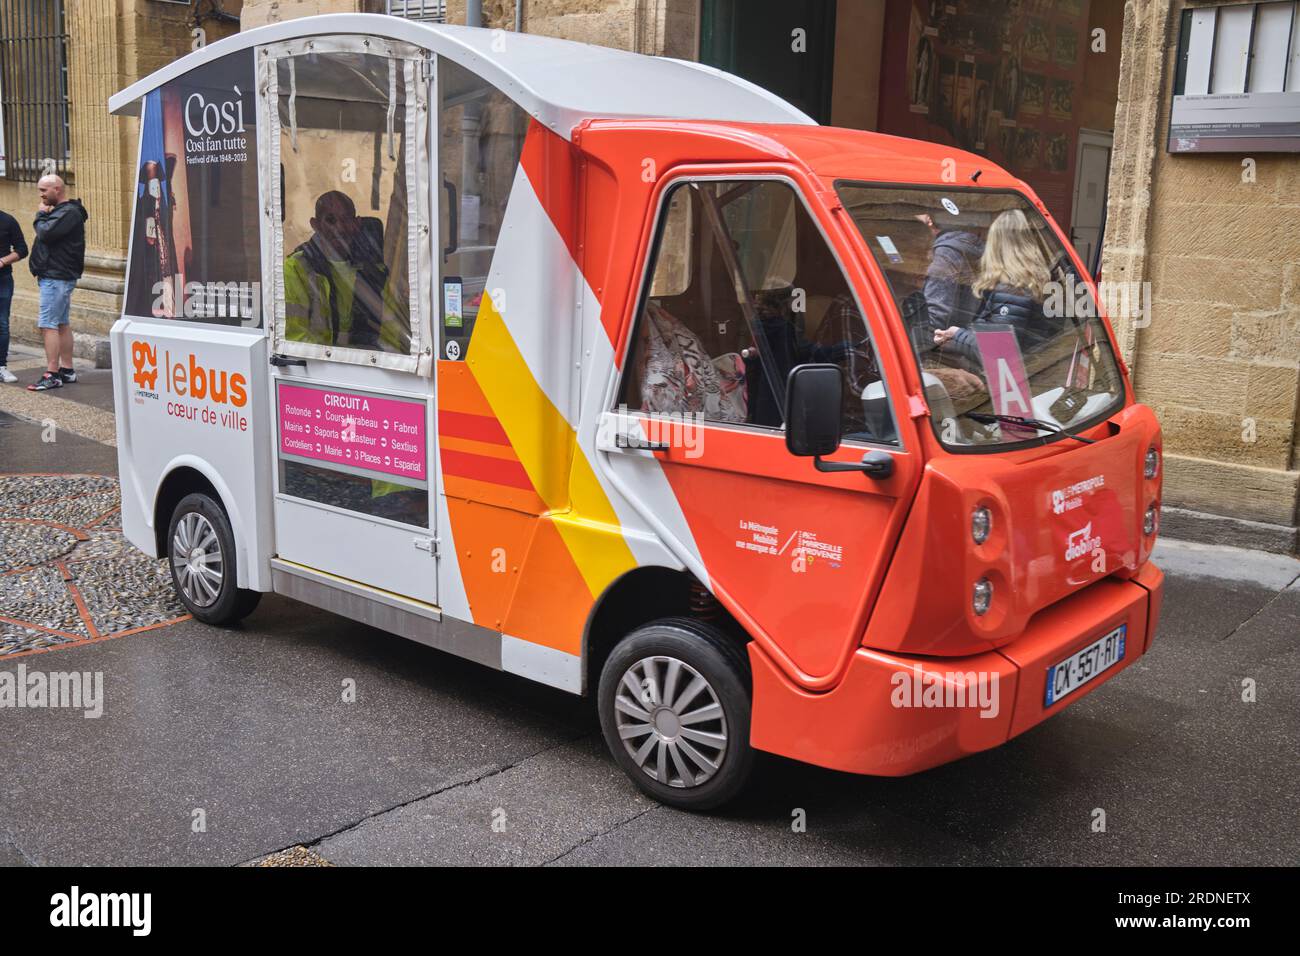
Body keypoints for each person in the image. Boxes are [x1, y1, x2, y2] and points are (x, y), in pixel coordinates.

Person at [933, 208, 1060, 366]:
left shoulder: (1012, 288)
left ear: (997, 246)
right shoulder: (1028, 282)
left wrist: (957, 335)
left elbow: (999, 351)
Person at [283, 190, 406, 352]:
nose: (339, 228)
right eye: (330, 220)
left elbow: (394, 336)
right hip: (316, 369)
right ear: (316, 225)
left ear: (357, 223)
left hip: (367, 367)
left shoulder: (376, 274)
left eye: (346, 219)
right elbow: (294, 339)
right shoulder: (296, 269)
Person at [27, 175, 88, 392]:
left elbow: (45, 233)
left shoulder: (67, 213)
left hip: (56, 276)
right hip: (55, 275)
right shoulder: (63, 212)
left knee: (48, 324)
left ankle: (52, 373)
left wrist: (40, 215)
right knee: (61, 323)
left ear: (57, 189)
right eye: (39, 190)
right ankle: (67, 370)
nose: (41, 195)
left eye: (44, 190)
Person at [0, 207, 29, 383]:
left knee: (2, 323)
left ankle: (1, 367)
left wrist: (3, 261)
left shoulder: (8, 220)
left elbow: (22, 249)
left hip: (2, 279)